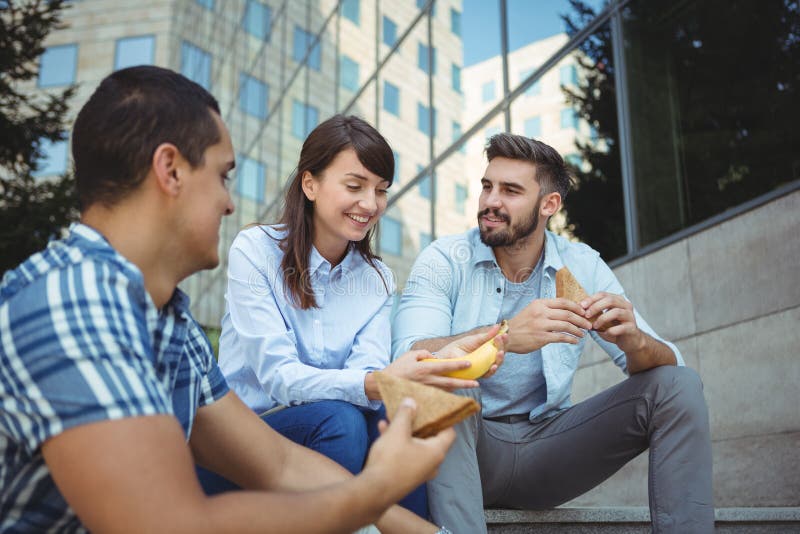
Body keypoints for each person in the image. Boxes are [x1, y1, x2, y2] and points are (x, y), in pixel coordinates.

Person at [0, 65, 455, 533]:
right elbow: (166, 525)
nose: (230, 204)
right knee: (342, 418)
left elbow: (278, 463)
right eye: (223, 176)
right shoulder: (71, 303)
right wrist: (375, 486)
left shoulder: (172, 323)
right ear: (170, 171)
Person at [392, 133, 714, 533]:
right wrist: (504, 335)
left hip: (548, 451)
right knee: (446, 378)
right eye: (487, 186)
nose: (490, 202)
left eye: (510, 191)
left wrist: (635, 342)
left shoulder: (581, 264)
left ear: (549, 205)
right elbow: (407, 357)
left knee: (677, 384)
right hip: (463, 451)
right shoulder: (444, 260)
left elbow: (671, 365)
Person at [210, 114, 506, 519]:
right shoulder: (256, 251)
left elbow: (369, 375)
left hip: (332, 432)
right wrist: (379, 382)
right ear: (309, 183)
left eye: (381, 190)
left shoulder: (378, 279)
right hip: (244, 442)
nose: (370, 204)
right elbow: (279, 378)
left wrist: (429, 368)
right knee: (342, 420)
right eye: (355, 186)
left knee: (401, 417)